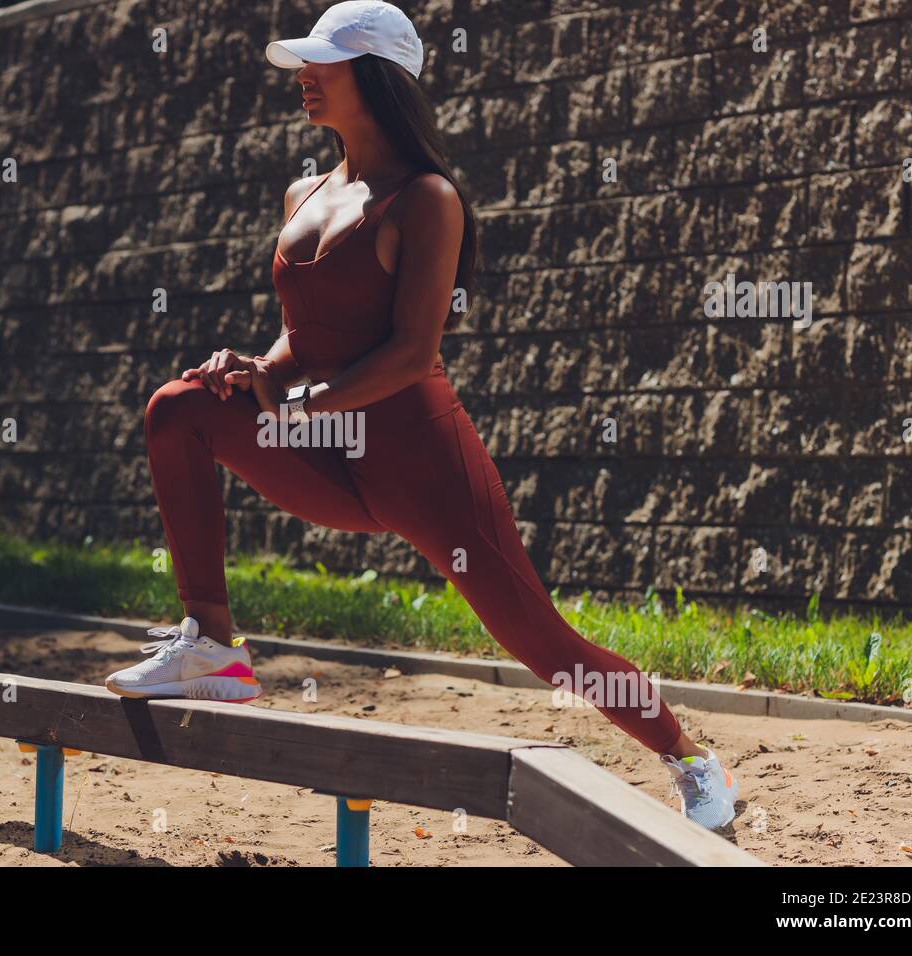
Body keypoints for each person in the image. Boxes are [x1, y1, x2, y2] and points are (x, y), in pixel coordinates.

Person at [105, 1, 739, 831]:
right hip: (331, 454)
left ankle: (690, 761)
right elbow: (303, 336)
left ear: (372, 76)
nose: (304, 76)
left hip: (421, 463)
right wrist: (256, 373)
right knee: (179, 409)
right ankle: (213, 644)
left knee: (545, 647)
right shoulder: (307, 189)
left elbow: (409, 352)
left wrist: (300, 405)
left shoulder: (426, 198)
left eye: (322, 63)